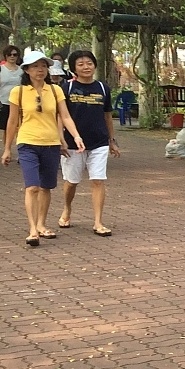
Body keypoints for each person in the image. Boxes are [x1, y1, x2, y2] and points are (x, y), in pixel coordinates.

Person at [0, 50, 85, 246]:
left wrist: (75, 136)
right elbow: (12, 122)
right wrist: (7, 149)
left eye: (44, 66)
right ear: (27, 70)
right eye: (35, 66)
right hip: (27, 143)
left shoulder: (55, 90)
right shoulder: (18, 92)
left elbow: (65, 116)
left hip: (51, 144)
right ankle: (32, 230)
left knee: (46, 187)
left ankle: (41, 224)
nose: (40, 70)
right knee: (32, 187)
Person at [58, 50, 120, 236]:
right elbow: (60, 115)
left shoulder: (102, 88)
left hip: (99, 141)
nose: (86, 67)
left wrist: (111, 141)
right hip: (72, 143)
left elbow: (107, 116)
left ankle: (98, 222)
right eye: (81, 64)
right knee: (71, 182)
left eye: (89, 63)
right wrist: (60, 139)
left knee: (98, 180)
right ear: (74, 68)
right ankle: (67, 209)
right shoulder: (66, 88)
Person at [0, 46, 24, 142]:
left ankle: (20, 152)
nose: (12, 56)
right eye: (9, 54)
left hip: (19, 103)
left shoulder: (22, 70)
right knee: (7, 129)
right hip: (4, 102)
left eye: (15, 54)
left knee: (20, 128)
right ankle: (7, 150)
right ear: (5, 56)